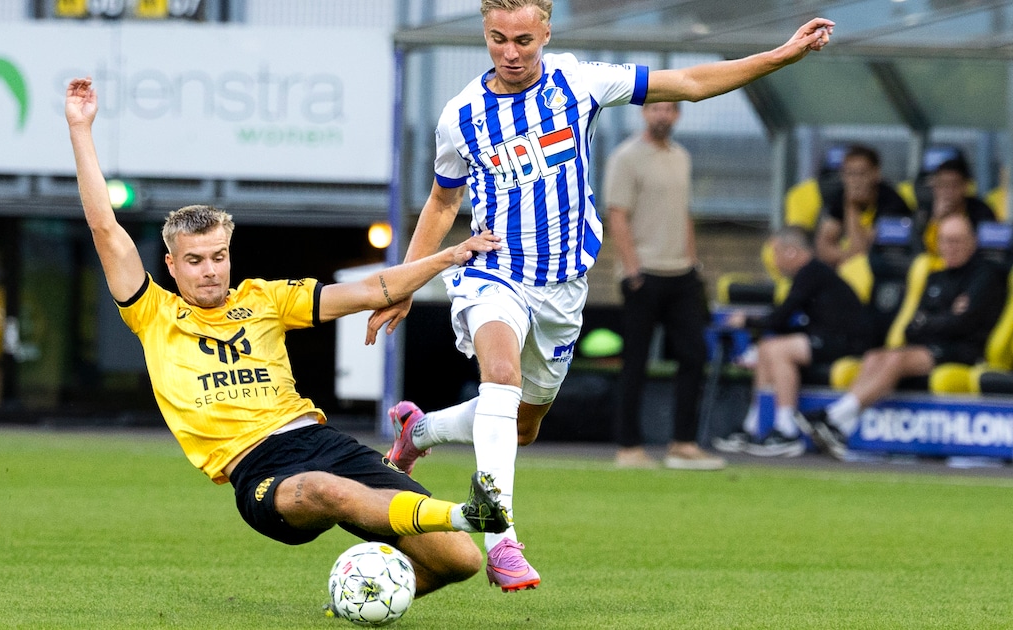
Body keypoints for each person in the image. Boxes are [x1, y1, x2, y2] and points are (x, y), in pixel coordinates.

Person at [365, 0, 834, 592]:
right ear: (484, 34)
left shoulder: (579, 82)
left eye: (524, 40)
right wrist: (406, 281)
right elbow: (441, 202)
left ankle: (420, 432)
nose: (511, 53)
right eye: (497, 39)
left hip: (562, 288)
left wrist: (781, 54)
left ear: (546, 32)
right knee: (500, 379)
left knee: (523, 426)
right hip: (493, 271)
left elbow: (687, 83)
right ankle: (502, 540)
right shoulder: (462, 115)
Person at [64, 77, 513, 598]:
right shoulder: (152, 312)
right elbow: (104, 229)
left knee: (460, 561)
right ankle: (468, 511)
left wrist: (446, 256)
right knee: (325, 490)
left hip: (319, 439)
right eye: (194, 261)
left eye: (217, 257)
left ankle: (363, 597)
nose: (209, 271)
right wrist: (81, 128)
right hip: (261, 471)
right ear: (170, 264)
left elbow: (368, 290)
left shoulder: (265, 299)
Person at [802, 212, 1007, 459]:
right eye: (944, 241)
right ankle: (842, 426)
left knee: (895, 360)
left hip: (963, 351)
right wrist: (941, 318)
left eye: (956, 240)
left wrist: (931, 321)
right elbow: (913, 325)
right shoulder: (935, 276)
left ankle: (833, 417)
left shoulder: (985, 275)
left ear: (972, 241)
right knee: (875, 357)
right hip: (929, 346)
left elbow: (962, 324)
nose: (950, 247)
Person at [603, 101, 724, 471]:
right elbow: (617, 215)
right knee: (636, 362)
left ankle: (683, 444)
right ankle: (628, 447)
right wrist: (633, 269)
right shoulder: (625, 157)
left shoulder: (681, 157)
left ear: (678, 116)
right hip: (645, 275)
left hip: (682, 274)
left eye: (669, 109)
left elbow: (683, 213)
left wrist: (693, 262)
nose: (662, 115)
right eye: (655, 108)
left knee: (693, 356)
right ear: (644, 113)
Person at [712, 226, 874, 457]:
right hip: (827, 338)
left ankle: (787, 431)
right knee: (767, 349)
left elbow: (779, 317)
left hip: (849, 343)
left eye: (777, 253)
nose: (775, 262)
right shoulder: (809, 274)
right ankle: (752, 426)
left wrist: (746, 320)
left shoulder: (812, 272)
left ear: (791, 252)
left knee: (777, 350)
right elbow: (785, 323)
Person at [814, 144, 913, 268]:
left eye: (861, 174)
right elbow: (823, 246)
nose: (855, 181)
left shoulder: (893, 204)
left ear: (876, 174)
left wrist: (852, 207)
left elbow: (861, 252)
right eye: (850, 174)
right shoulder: (839, 196)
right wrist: (845, 256)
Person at [917, 157, 996, 256]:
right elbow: (918, 249)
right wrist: (936, 220)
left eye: (954, 185)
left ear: (965, 186)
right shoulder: (924, 211)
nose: (948, 191)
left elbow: (988, 251)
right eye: (943, 185)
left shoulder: (982, 212)